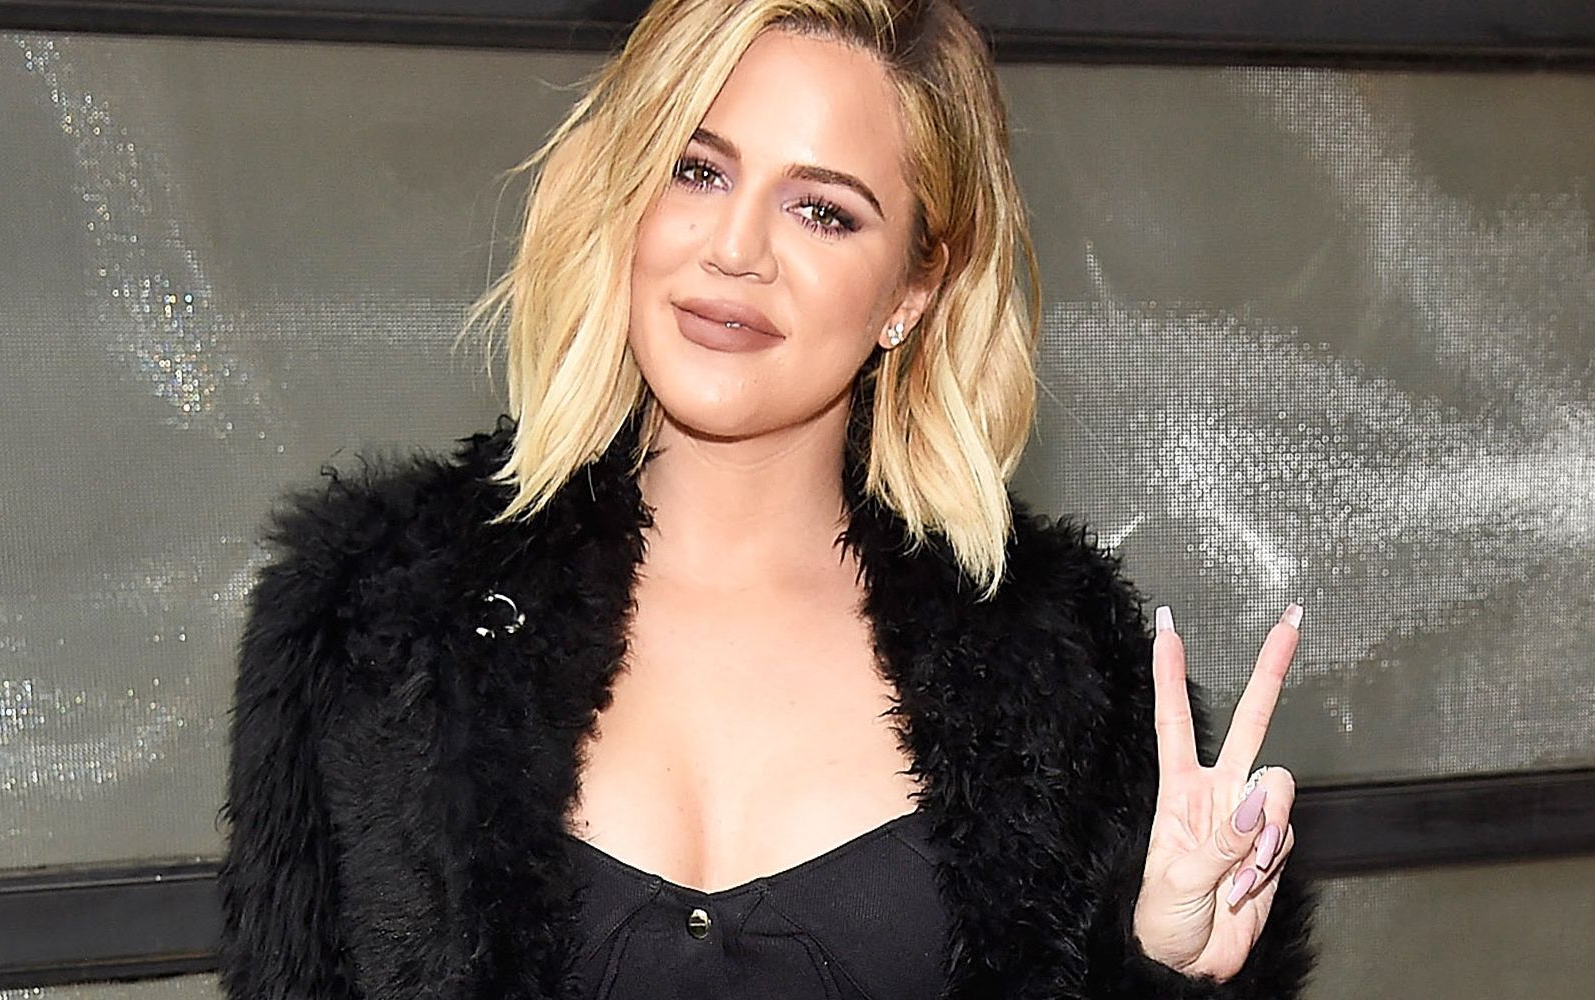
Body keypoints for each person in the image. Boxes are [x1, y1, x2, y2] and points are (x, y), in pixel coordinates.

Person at [215, 1, 1316, 997]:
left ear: (914, 286)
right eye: (696, 171)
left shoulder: (1065, 670)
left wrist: (1167, 970)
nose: (736, 250)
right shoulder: (374, 621)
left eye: (822, 212)